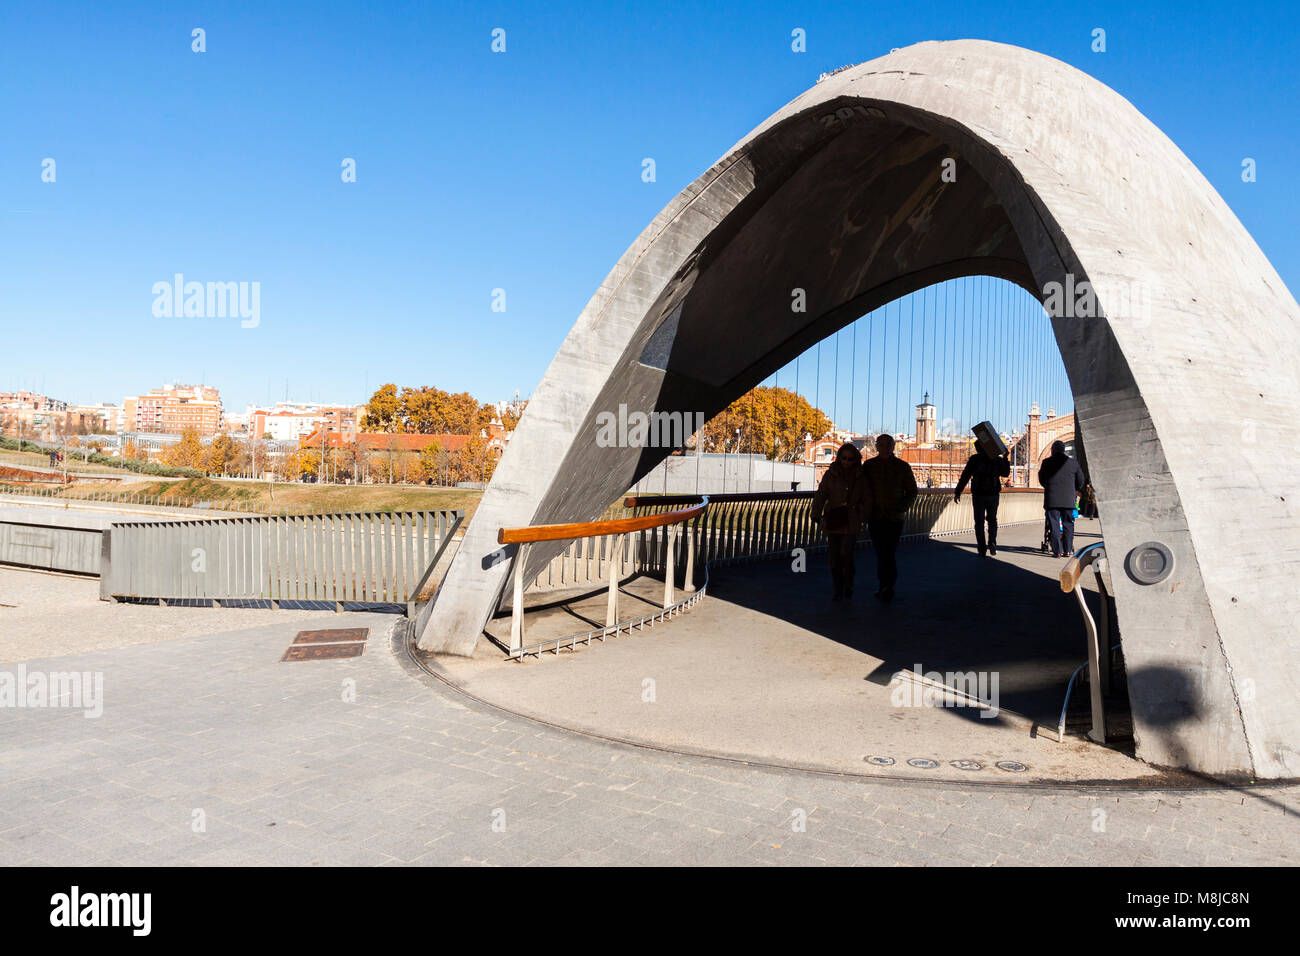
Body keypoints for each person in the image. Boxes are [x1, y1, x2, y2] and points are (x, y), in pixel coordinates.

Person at [861, 434, 917, 601]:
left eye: (888, 445)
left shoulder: (901, 466)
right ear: (877, 447)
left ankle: (886, 585)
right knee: (882, 552)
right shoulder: (869, 466)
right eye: (882, 445)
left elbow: (912, 492)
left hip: (893, 517)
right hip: (878, 517)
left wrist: (900, 508)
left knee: (887, 552)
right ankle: (886, 585)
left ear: (893, 447)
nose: (885, 448)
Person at [811, 442, 869, 600]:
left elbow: (866, 498)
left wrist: (862, 515)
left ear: (855, 460)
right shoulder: (830, 474)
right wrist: (815, 513)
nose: (846, 462)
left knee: (846, 553)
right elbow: (821, 494)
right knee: (834, 557)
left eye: (850, 459)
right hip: (834, 519)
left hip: (852, 520)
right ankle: (838, 589)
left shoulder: (861, 477)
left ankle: (848, 583)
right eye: (844, 458)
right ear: (839, 458)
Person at [954, 446, 1011, 557]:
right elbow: (1005, 473)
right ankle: (992, 543)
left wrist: (958, 491)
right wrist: (1005, 458)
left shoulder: (974, 459)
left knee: (979, 522)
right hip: (993, 494)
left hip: (978, 494)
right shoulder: (997, 459)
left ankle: (981, 548)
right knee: (992, 520)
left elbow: (965, 476)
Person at [1038, 440, 1085, 557]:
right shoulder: (1073, 463)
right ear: (1063, 450)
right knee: (1068, 524)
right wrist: (1072, 490)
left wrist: (1049, 487)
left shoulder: (1046, 462)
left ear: (1053, 450)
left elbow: (1042, 479)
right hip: (1068, 500)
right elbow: (1081, 480)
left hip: (1052, 500)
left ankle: (1057, 551)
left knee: (1054, 525)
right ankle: (1068, 550)